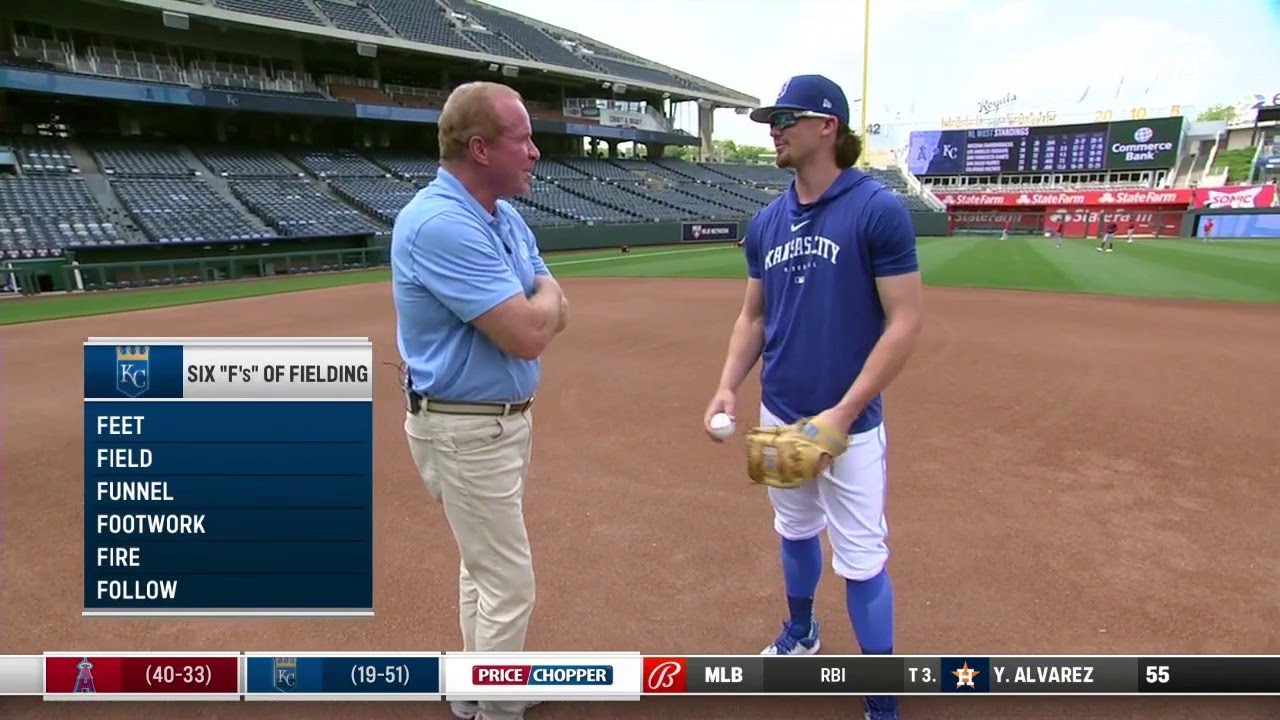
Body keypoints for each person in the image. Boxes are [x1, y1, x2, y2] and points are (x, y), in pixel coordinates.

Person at [702, 74, 923, 720]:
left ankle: (882, 694)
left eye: (786, 119)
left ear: (828, 126)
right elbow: (753, 317)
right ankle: (801, 631)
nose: (774, 130)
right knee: (793, 529)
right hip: (779, 411)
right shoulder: (766, 222)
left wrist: (842, 416)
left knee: (861, 559)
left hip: (849, 425)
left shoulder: (876, 209)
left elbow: (905, 322)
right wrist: (726, 384)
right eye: (771, 121)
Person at [391, 81, 568, 720]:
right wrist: (544, 304)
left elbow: (553, 301)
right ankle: (498, 705)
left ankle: (475, 689)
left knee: (483, 567)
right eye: (523, 139)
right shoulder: (441, 223)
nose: (535, 152)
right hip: (465, 430)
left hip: (496, 425)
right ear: (479, 148)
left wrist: (544, 303)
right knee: (508, 581)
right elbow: (530, 332)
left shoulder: (503, 216)